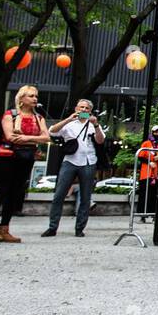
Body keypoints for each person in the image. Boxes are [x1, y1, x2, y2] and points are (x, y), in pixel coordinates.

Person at [0, 85, 49, 244]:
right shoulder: (10, 115)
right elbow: (10, 136)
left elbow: (46, 137)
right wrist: (34, 138)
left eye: (36, 96)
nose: (35, 99)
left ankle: (4, 228)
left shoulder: (39, 118)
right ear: (21, 99)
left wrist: (26, 139)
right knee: (1, 191)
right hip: (7, 157)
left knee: (15, 193)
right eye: (31, 96)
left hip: (26, 157)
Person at [42, 99, 105, 237]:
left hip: (88, 161)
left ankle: (79, 228)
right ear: (76, 108)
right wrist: (68, 119)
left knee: (85, 197)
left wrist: (96, 125)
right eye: (81, 107)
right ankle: (52, 227)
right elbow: (52, 131)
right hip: (70, 161)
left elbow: (100, 140)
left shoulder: (93, 124)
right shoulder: (69, 124)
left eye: (86, 108)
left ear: (90, 111)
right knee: (59, 194)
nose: (83, 110)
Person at [135, 125, 158, 215]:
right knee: (144, 194)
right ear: (152, 132)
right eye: (156, 132)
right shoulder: (146, 144)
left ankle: (153, 214)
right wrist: (149, 162)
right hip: (146, 172)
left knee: (154, 195)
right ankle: (142, 214)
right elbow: (140, 157)